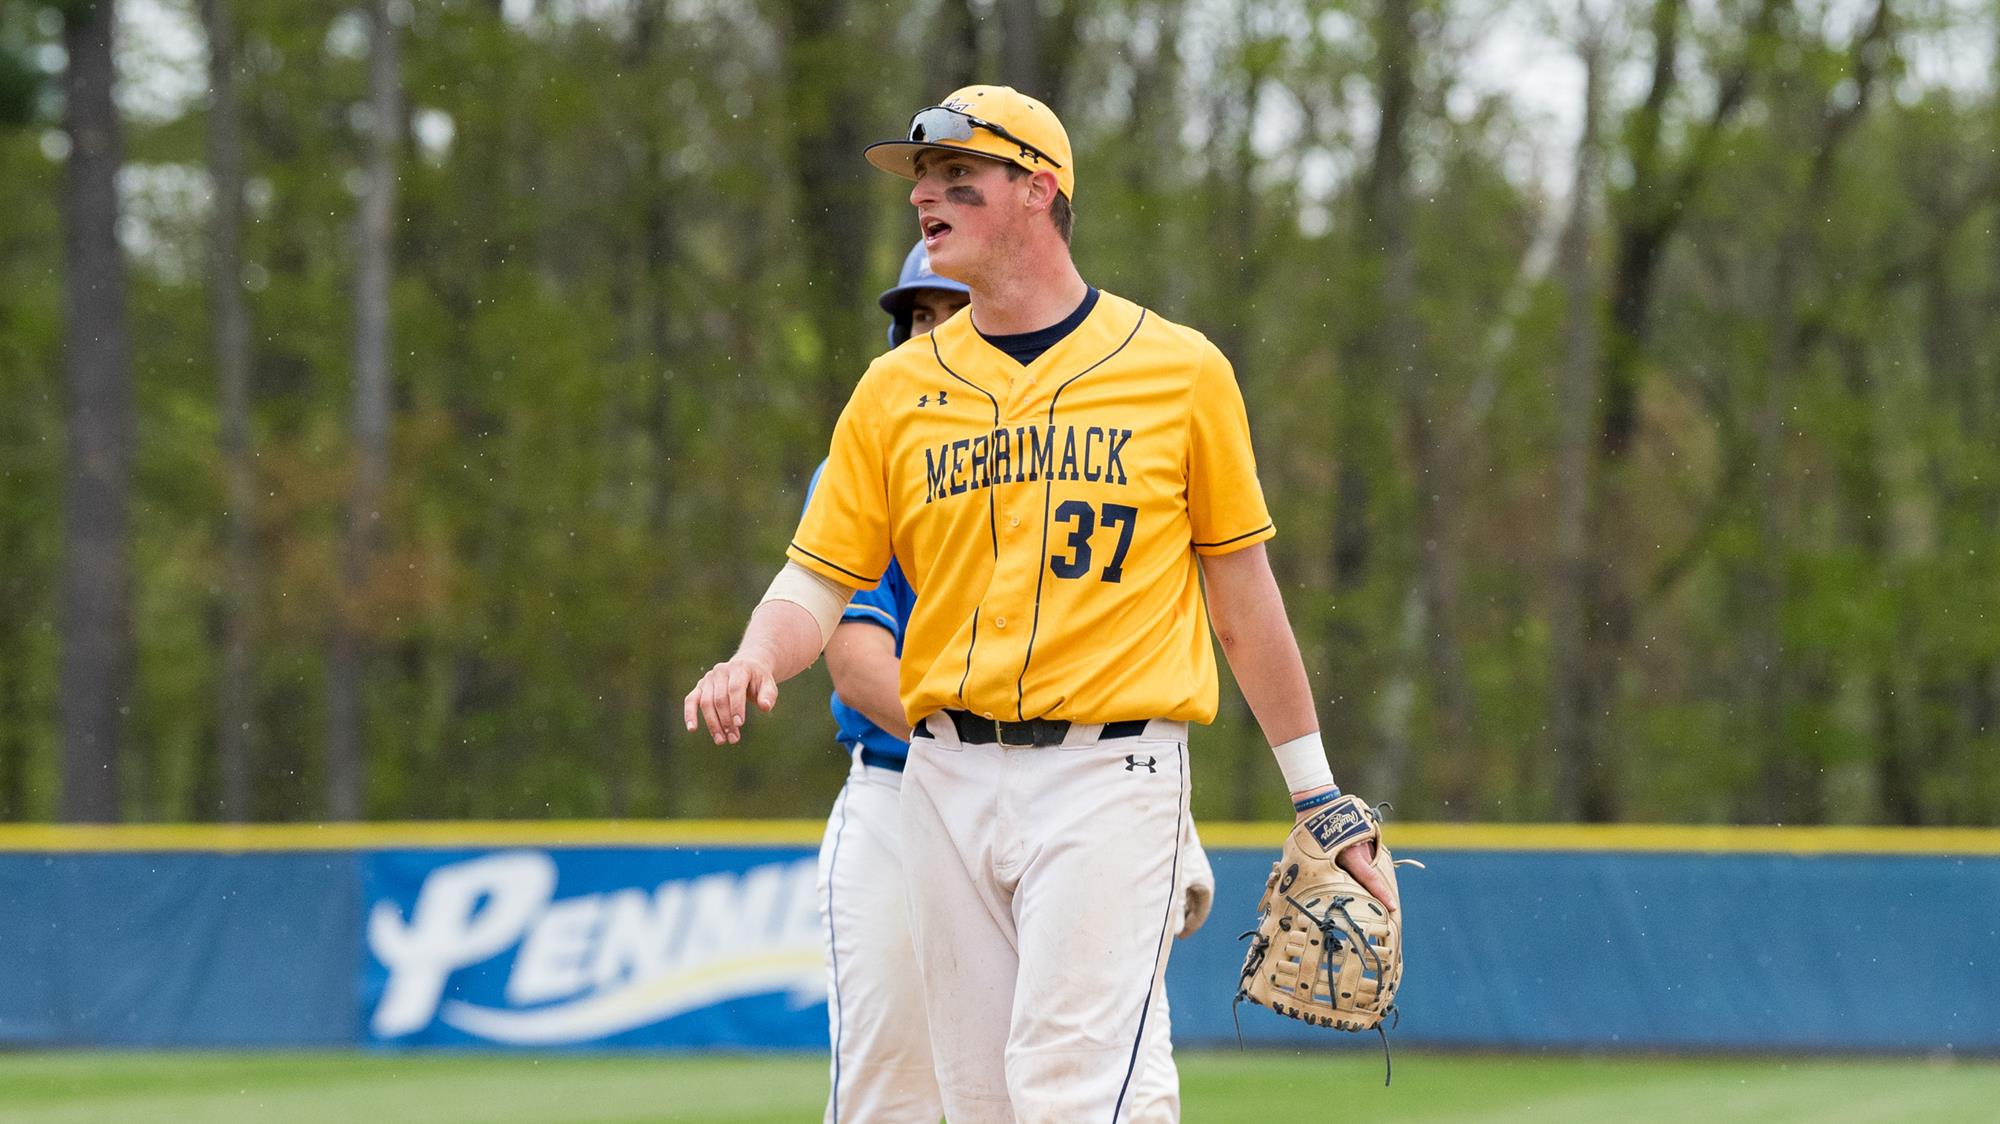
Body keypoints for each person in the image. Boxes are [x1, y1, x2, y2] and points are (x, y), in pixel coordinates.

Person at [687, 85, 1394, 1122]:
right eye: (920, 180)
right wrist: (755, 653)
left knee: (1067, 1088)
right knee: (979, 1100)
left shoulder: (1177, 370)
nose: (925, 195)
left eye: (956, 177)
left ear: (1039, 188)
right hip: (938, 775)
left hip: (1109, 773)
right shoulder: (895, 391)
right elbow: (816, 578)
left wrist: (1316, 792)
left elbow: (1241, 595)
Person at [812, 242, 1214, 1123]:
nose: (936, 326)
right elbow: (852, 654)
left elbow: (1145, 632)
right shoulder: (883, 444)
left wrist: (1147, 799)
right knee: (897, 1090)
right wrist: (979, 738)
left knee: (1107, 1078)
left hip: (1092, 787)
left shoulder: (1086, 435)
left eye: (950, 306)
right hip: (903, 790)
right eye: (918, 314)